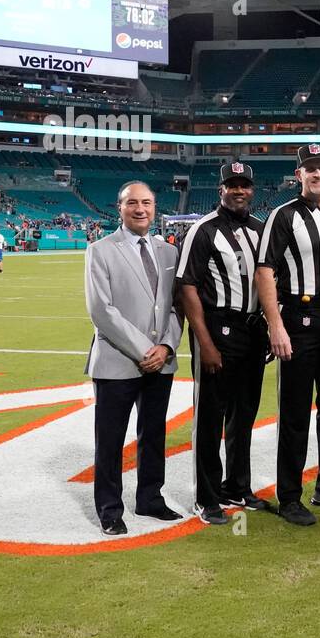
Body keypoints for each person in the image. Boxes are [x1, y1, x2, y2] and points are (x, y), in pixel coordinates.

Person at [255, 144, 320, 527]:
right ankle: (290, 497)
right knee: (296, 412)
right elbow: (265, 271)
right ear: (299, 174)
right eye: (309, 168)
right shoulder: (283, 216)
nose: (317, 174)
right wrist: (275, 325)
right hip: (299, 318)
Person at [83, 182, 184, 535]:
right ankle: (110, 509)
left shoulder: (168, 252)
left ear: (155, 207)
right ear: (119, 207)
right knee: (110, 440)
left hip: (161, 361)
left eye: (146, 202)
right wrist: (145, 351)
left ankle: (150, 499)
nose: (140, 209)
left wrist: (167, 348)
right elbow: (101, 311)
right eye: (132, 203)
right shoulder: (100, 249)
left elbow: (174, 307)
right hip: (117, 361)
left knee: (153, 434)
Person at [177, 161, 272, 525]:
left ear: (252, 189)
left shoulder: (260, 231)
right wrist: (205, 341)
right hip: (217, 330)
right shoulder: (203, 230)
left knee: (244, 415)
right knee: (210, 416)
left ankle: (237, 486)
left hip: (251, 332)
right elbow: (186, 287)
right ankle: (207, 495)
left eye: (244, 185)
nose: (238, 191)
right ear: (221, 189)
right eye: (232, 185)